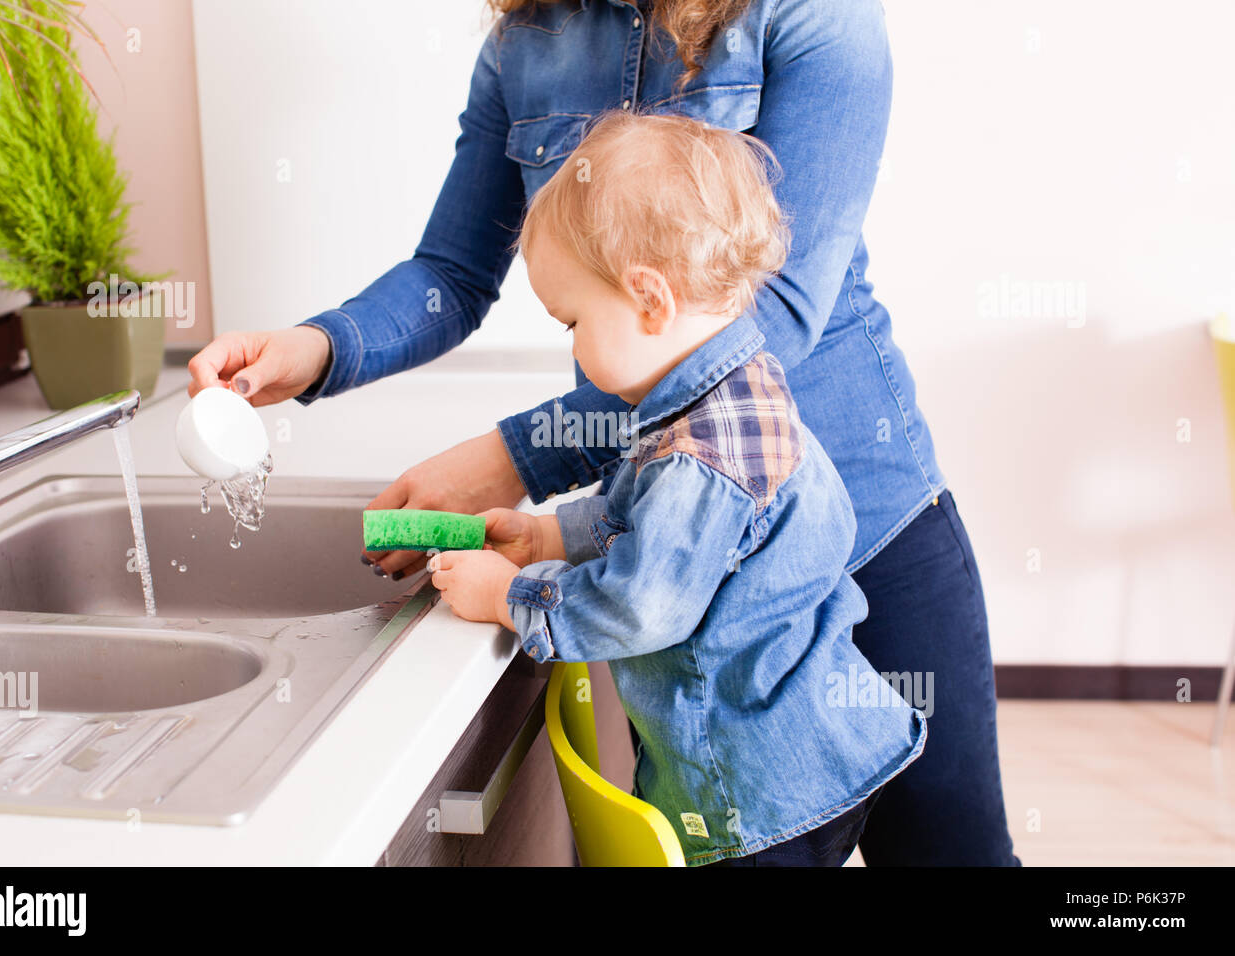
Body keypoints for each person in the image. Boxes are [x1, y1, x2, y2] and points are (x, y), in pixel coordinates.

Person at [188, 0, 1018, 866]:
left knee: (954, 853)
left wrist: (515, 463)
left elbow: (769, 315)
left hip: (872, 515)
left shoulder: (813, 13)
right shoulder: (526, 37)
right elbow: (452, 270)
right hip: (674, 535)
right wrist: (315, 349)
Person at [428, 109, 925, 865]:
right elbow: (665, 530)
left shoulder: (702, 456)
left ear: (650, 301)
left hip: (753, 793)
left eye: (572, 322)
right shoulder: (735, 391)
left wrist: (508, 595)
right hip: (809, 760)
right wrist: (549, 536)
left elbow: (641, 604)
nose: (572, 345)